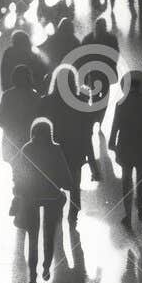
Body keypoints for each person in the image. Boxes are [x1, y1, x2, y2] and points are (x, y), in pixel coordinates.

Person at [13, 118, 70, 283]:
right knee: (49, 234)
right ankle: (46, 267)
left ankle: (32, 273)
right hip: (52, 197)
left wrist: (18, 190)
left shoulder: (27, 149)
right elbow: (64, 173)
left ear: (33, 132)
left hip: (31, 198)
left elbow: (19, 174)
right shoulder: (56, 149)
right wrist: (66, 185)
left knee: (33, 236)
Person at [107, 70, 142, 231]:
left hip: (125, 145)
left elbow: (115, 125)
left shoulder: (120, 104)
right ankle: (140, 210)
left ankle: (127, 214)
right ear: (141, 87)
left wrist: (111, 142)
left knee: (126, 179)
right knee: (140, 177)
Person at [46, 65, 100, 223]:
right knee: (75, 186)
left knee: (54, 185)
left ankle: (55, 216)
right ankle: (73, 217)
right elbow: (86, 135)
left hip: (53, 152)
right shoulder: (80, 103)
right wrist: (93, 165)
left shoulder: (47, 102)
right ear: (73, 82)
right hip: (75, 151)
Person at [0, 64, 42, 165]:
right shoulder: (35, 97)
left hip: (11, 143)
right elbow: (40, 120)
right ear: (29, 78)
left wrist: (11, 126)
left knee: (14, 169)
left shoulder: (7, 96)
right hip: (30, 142)